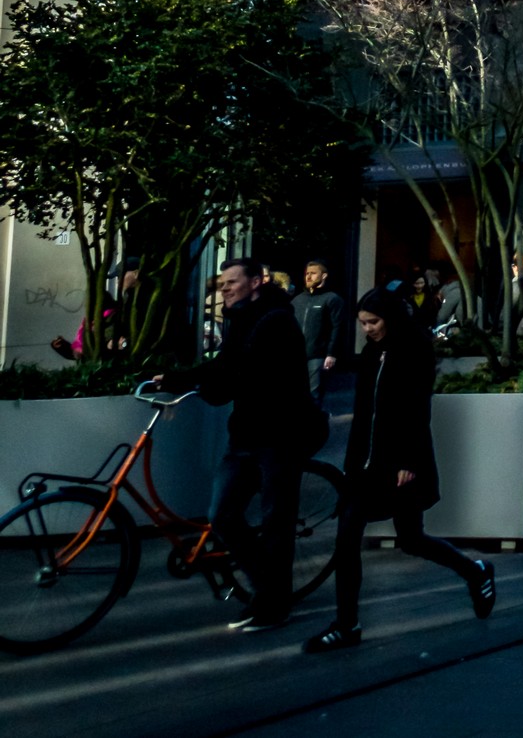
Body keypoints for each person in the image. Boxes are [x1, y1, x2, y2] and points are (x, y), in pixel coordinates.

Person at [303, 289, 494, 653]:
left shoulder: (414, 348)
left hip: (400, 464)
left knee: (411, 539)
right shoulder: (372, 351)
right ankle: (347, 625)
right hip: (365, 465)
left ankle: (475, 572)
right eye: (362, 323)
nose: (367, 329)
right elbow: (364, 411)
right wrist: (352, 462)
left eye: (373, 322)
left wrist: (409, 460)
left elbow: (417, 407)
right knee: (347, 539)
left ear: (390, 318)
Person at [194, 256, 328, 632]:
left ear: (256, 282)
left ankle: (272, 603)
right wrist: (179, 378)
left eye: (232, 282)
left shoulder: (276, 320)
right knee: (222, 515)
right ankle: (265, 588)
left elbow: (240, 370)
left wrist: (202, 383)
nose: (225, 288)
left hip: (280, 435)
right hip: (247, 433)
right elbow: (226, 364)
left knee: (276, 521)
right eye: (222, 283)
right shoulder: (240, 317)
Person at [293, 262, 349, 402]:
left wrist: (331, 353)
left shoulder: (332, 299)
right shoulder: (297, 300)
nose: (308, 277)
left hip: (318, 355)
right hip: (296, 356)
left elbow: (338, 327)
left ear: (323, 276)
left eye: (313, 273)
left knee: (314, 395)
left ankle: (312, 422)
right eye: (307, 273)